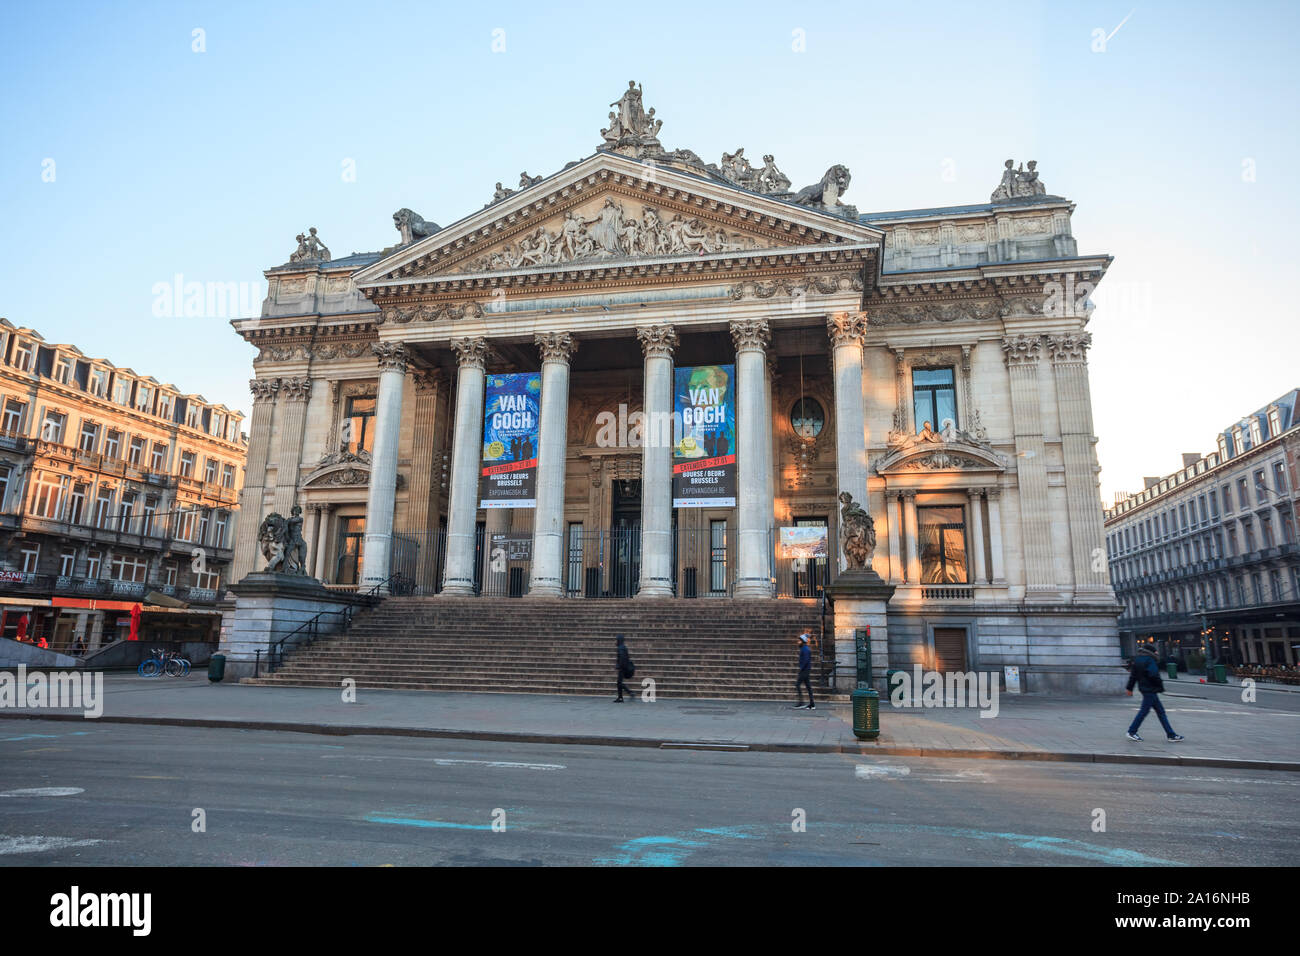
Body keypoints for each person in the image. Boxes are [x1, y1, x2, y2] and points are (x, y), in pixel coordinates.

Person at [1126, 646, 1184, 741]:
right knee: (1144, 711)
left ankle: (1171, 734)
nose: (1157, 653)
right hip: (1150, 689)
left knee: (1160, 711)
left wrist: (1129, 688)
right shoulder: (1150, 660)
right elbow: (1153, 674)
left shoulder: (1138, 660)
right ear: (1151, 652)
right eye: (1155, 651)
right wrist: (1160, 686)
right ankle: (1132, 731)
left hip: (1144, 688)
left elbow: (1133, 676)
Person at [793, 631, 815, 710]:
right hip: (806, 669)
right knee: (808, 687)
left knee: (797, 684)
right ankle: (812, 704)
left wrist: (801, 668)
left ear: (803, 641)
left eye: (799, 641)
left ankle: (801, 702)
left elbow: (805, 660)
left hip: (805, 670)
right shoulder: (805, 648)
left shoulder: (805, 649)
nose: (798, 642)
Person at [614, 634, 635, 702]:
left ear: (619, 640)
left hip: (622, 668)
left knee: (619, 682)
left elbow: (622, 658)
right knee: (619, 683)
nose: (615, 641)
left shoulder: (621, 648)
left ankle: (623, 696)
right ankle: (627, 694)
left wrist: (619, 666)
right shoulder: (623, 647)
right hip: (623, 667)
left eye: (617, 640)